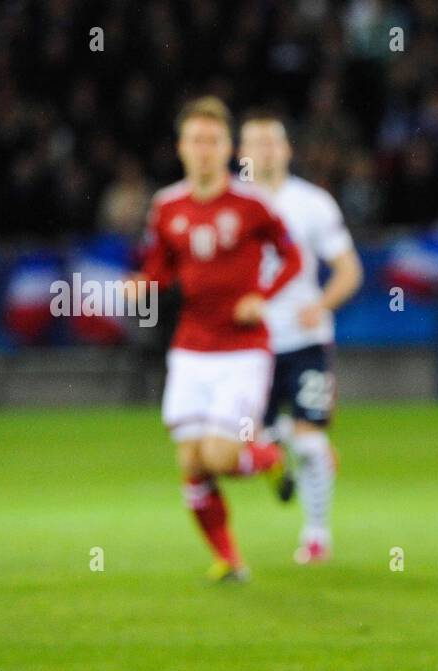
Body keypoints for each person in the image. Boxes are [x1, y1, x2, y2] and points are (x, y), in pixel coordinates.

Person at [135, 96, 303, 582]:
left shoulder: (253, 205)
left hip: (243, 348)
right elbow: (160, 269)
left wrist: (262, 295)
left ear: (228, 147)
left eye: (213, 140)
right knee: (190, 460)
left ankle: (265, 453)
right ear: (181, 148)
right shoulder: (166, 207)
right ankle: (230, 560)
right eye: (196, 140)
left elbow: (291, 257)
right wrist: (140, 286)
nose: (204, 149)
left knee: (218, 455)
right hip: (191, 346)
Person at [237, 113, 364, 564]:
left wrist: (321, 305)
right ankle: (280, 438)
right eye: (256, 141)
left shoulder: (313, 203)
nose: (266, 150)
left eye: (274, 141)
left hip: (305, 341)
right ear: (242, 153)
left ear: (287, 150)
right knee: (247, 442)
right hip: (249, 345)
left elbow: (349, 270)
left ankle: (316, 536)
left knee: (309, 443)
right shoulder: (232, 204)